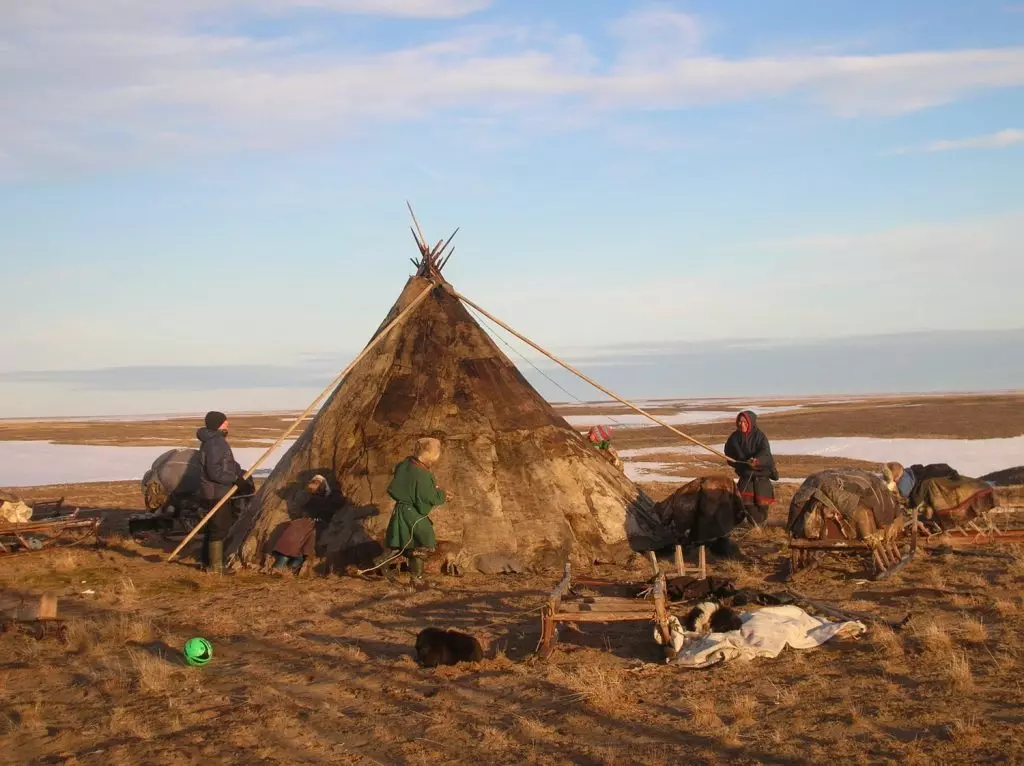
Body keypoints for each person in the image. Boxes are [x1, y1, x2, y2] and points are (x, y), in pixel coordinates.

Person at [377, 437, 449, 585]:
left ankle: (382, 562)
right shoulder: (422, 473)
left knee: (400, 540)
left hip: (401, 509)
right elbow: (426, 496)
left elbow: (407, 484)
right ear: (430, 452)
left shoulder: (405, 464)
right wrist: (443, 495)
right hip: (413, 512)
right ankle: (417, 578)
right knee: (424, 541)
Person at [197, 411, 253, 573]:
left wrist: (238, 472)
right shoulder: (215, 443)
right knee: (219, 528)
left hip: (217, 491)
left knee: (214, 527)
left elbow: (226, 463)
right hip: (217, 492)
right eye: (224, 422)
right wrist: (233, 479)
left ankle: (206, 561)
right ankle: (216, 567)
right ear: (217, 425)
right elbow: (214, 471)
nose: (227, 424)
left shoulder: (216, 441)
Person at [269, 474, 343, 575]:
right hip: (304, 524)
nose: (315, 484)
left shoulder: (327, 499)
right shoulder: (306, 497)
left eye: (317, 482)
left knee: (301, 549)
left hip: (316, 526)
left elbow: (333, 506)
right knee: (292, 545)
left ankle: (288, 569)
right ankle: (280, 568)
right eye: (314, 481)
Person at [723, 411, 778, 526]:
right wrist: (734, 461)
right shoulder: (734, 437)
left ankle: (760, 525)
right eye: (739, 421)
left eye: (744, 422)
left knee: (762, 505)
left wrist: (756, 461)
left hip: (761, 474)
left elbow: (766, 453)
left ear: (750, 422)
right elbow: (729, 452)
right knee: (745, 503)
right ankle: (755, 526)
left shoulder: (760, 436)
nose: (741, 424)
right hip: (746, 474)